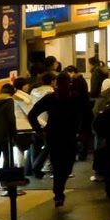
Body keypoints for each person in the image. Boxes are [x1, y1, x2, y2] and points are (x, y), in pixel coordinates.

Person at [28, 73, 81, 206]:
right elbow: (32, 114)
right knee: (60, 165)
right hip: (61, 135)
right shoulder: (57, 98)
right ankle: (58, 192)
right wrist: (39, 131)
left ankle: (59, 190)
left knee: (64, 165)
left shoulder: (63, 98)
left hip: (60, 134)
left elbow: (32, 114)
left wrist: (39, 130)